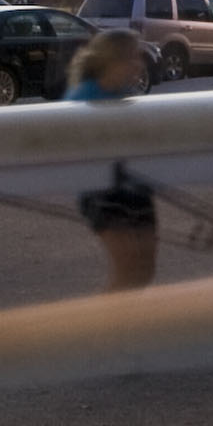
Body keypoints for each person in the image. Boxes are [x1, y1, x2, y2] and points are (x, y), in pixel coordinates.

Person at [68, 25, 161, 291]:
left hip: (135, 190)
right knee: (127, 268)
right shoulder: (82, 98)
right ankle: (108, 330)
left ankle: (125, 326)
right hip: (102, 193)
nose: (139, 64)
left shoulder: (123, 95)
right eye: (133, 56)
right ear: (114, 60)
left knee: (144, 270)